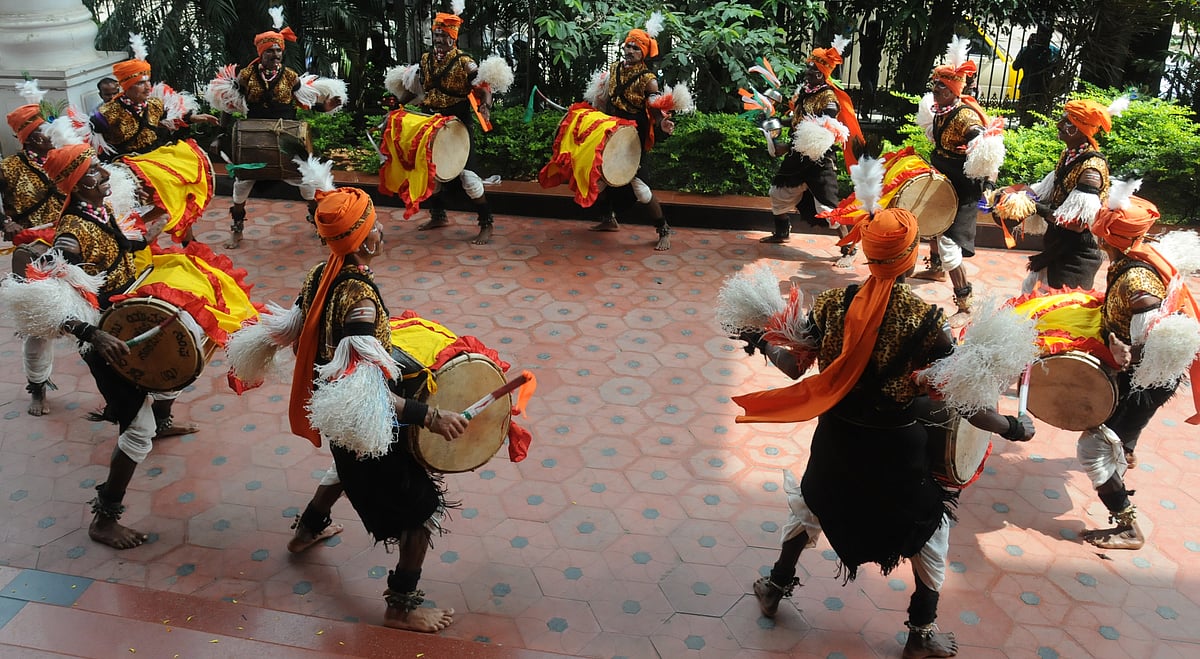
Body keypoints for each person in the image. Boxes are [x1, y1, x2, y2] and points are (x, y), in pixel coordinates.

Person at [731, 196, 1034, 658]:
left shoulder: (835, 302)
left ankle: (775, 586)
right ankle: (921, 633)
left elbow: (793, 367)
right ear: (912, 258)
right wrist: (1012, 426)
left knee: (813, 504)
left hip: (837, 438)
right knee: (928, 530)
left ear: (870, 255)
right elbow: (962, 401)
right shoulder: (928, 321)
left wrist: (759, 338)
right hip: (897, 448)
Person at [31, 144, 254, 548]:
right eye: (95, 173)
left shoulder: (100, 211)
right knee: (138, 430)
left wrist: (158, 219)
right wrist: (92, 333)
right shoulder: (71, 236)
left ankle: (165, 421)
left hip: (128, 303)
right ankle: (105, 517)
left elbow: (127, 246)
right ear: (81, 188)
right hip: (106, 333)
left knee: (183, 331)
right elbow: (36, 284)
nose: (104, 174)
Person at [270, 186, 467, 631]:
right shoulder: (358, 297)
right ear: (364, 240)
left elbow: (295, 331)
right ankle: (401, 605)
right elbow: (365, 394)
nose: (382, 228)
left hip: (341, 423)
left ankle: (307, 530)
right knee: (419, 516)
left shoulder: (321, 272)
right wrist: (432, 417)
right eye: (375, 222)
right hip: (357, 419)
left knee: (343, 466)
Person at [1072, 184, 1200, 549]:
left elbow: (1149, 330)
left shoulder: (1135, 281)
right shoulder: (1139, 256)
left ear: (1106, 238)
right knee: (1121, 435)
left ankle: (1128, 525)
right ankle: (1125, 447)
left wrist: (1123, 351)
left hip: (1149, 377)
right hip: (1152, 376)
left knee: (1092, 449)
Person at [204, 7, 345, 249]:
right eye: (271, 50)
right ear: (261, 53)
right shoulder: (246, 75)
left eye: (279, 50)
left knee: (307, 183)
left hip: (287, 136)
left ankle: (320, 224)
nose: (276, 54)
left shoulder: (291, 77)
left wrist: (326, 106)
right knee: (242, 184)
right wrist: (219, 135)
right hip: (254, 138)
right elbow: (229, 106)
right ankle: (237, 227)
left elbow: (307, 104)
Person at [384, 10, 509, 245]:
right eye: (436, 36)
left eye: (444, 37)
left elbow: (482, 87)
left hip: (457, 124)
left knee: (469, 177)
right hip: (431, 122)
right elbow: (417, 89)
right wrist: (398, 103)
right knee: (432, 174)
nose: (439, 41)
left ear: (453, 38)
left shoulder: (464, 61)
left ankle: (486, 223)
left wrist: (486, 106)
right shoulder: (425, 60)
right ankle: (438, 216)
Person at [89, 36, 219, 244]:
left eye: (148, 81)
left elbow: (167, 120)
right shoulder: (107, 113)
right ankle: (138, 226)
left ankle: (187, 237)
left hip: (158, 153)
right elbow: (91, 141)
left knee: (190, 177)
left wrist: (193, 118)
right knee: (168, 182)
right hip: (131, 159)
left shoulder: (155, 104)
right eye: (140, 83)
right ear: (127, 87)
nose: (148, 87)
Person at [912, 37, 1004, 326]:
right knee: (932, 223)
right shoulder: (941, 111)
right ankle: (936, 268)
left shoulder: (967, 118)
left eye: (941, 85)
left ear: (953, 90)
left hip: (963, 187)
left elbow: (988, 155)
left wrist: (987, 187)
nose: (935, 89)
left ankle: (965, 304)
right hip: (943, 175)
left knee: (950, 243)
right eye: (935, 84)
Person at [761, 36, 864, 269]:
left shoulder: (828, 99)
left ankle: (849, 248)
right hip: (797, 157)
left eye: (811, 72)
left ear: (820, 74)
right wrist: (779, 122)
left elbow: (823, 129)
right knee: (777, 193)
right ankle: (781, 231)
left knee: (828, 208)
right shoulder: (806, 91)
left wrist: (786, 147)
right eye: (807, 70)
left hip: (818, 160)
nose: (806, 75)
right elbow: (798, 119)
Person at [586, 20, 679, 251]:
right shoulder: (615, 68)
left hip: (633, 136)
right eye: (628, 46)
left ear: (644, 53)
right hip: (612, 129)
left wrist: (662, 122)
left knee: (640, 187)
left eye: (636, 48)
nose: (630, 51)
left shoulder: (649, 80)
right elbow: (605, 99)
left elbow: (654, 107)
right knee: (600, 176)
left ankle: (663, 229)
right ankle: (609, 219)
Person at [2, 101, 66, 416]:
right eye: (43, 132)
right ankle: (38, 388)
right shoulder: (8, 168)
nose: (50, 135)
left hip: (70, 244)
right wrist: (6, 222)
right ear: (30, 138)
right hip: (33, 250)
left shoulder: (65, 159)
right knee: (37, 325)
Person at [1021, 99, 1120, 291]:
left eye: (1068, 122)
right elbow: (1046, 189)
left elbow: (1076, 223)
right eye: (1062, 119)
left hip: (1077, 256)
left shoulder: (1091, 170)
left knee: (1059, 310)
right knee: (1030, 293)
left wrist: (1034, 207)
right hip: (1057, 246)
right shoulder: (1069, 155)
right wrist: (1012, 197)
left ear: (1081, 130)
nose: (1059, 124)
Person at [1012, 27, 1059, 123]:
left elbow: (1058, 72)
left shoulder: (1054, 52)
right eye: (1040, 36)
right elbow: (1015, 66)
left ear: (1050, 37)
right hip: (1027, 88)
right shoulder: (1027, 50)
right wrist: (1029, 48)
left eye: (1045, 37)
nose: (1042, 39)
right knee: (1024, 116)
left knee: (1039, 118)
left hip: (1043, 90)